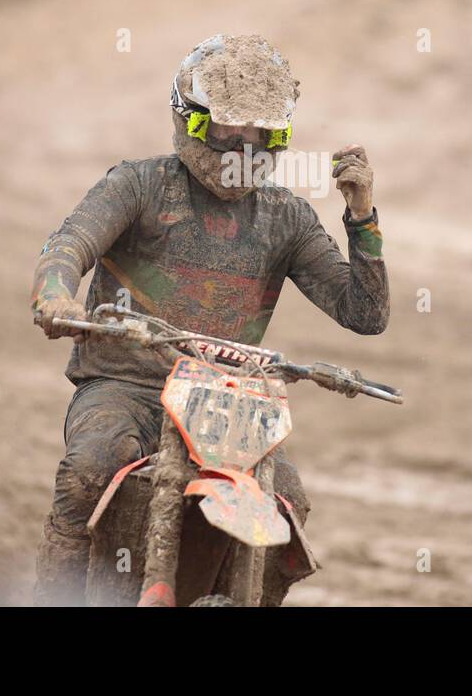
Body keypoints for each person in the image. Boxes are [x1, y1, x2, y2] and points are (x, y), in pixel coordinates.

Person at [30, 33, 389, 605]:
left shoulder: (287, 217)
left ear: (278, 140)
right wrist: (55, 295)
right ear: (188, 120)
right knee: (89, 467)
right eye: (224, 132)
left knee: (287, 500)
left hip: (227, 400)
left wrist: (362, 215)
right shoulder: (138, 185)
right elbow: (70, 245)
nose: (239, 150)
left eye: (258, 136)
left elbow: (366, 315)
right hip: (125, 386)